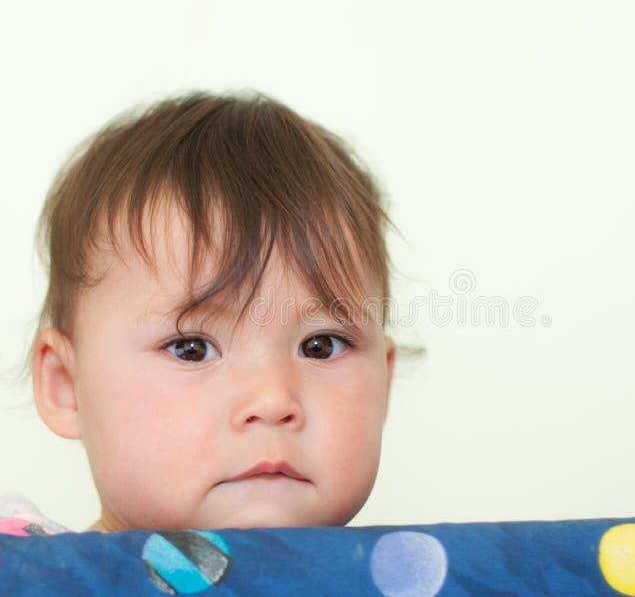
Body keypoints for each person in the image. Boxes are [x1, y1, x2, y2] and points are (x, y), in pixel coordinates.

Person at [1, 90, 400, 534]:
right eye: (191, 348)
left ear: (384, 385)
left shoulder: (424, 566)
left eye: (320, 346)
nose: (272, 400)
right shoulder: (22, 566)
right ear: (66, 386)